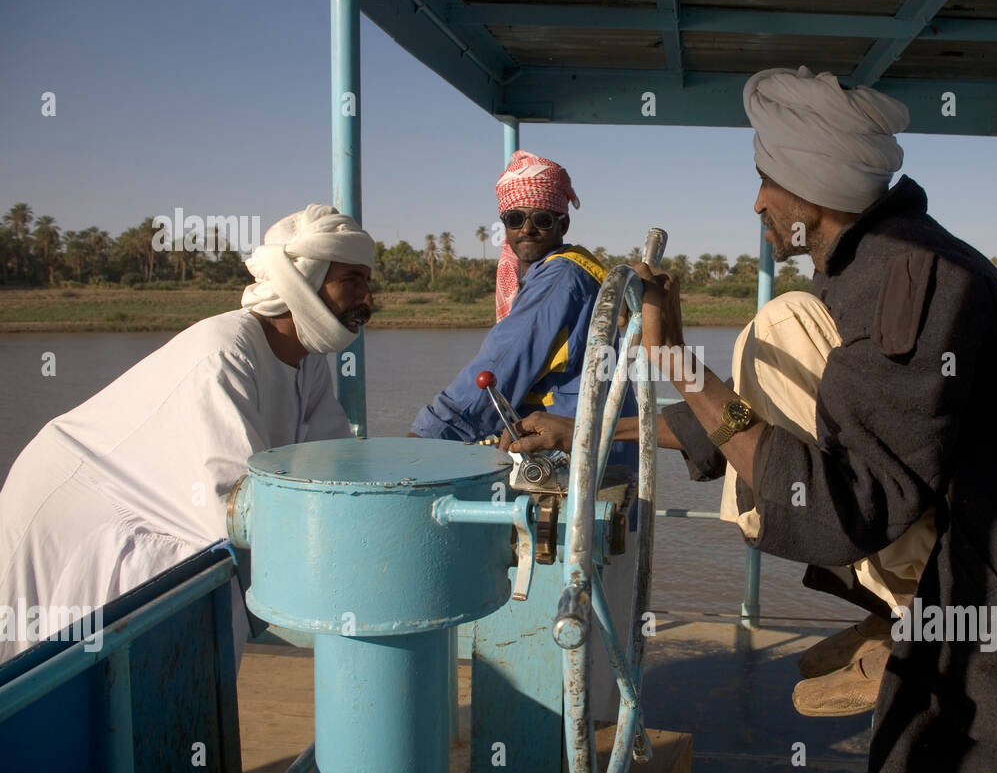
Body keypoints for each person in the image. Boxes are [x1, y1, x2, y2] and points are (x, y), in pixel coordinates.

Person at [510, 65, 997, 773]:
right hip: (961, 526)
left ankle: (909, 602)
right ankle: (902, 605)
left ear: (815, 190)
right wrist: (583, 429)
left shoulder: (909, 282)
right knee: (778, 338)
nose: (758, 201)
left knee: (955, 767)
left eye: (769, 181)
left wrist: (676, 360)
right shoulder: (872, 266)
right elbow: (738, 424)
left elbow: (841, 509)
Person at [0, 204, 374, 665]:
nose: (367, 300)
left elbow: (332, 465)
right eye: (352, 280)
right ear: (304, 277)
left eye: (368, 283)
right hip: (84, 508)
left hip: (159, 518)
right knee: (56, 684)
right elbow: (235, 508)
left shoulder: (308, 363)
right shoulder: (222, 352)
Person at [408, 150, 636, 450]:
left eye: (541, 219)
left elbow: (499, 367)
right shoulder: (569, 268)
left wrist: (426, 438)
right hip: (598, 447)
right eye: (515, 219)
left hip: (576, 459)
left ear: (562, 225)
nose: (526, 229)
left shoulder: (559, 279)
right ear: (505, 224)